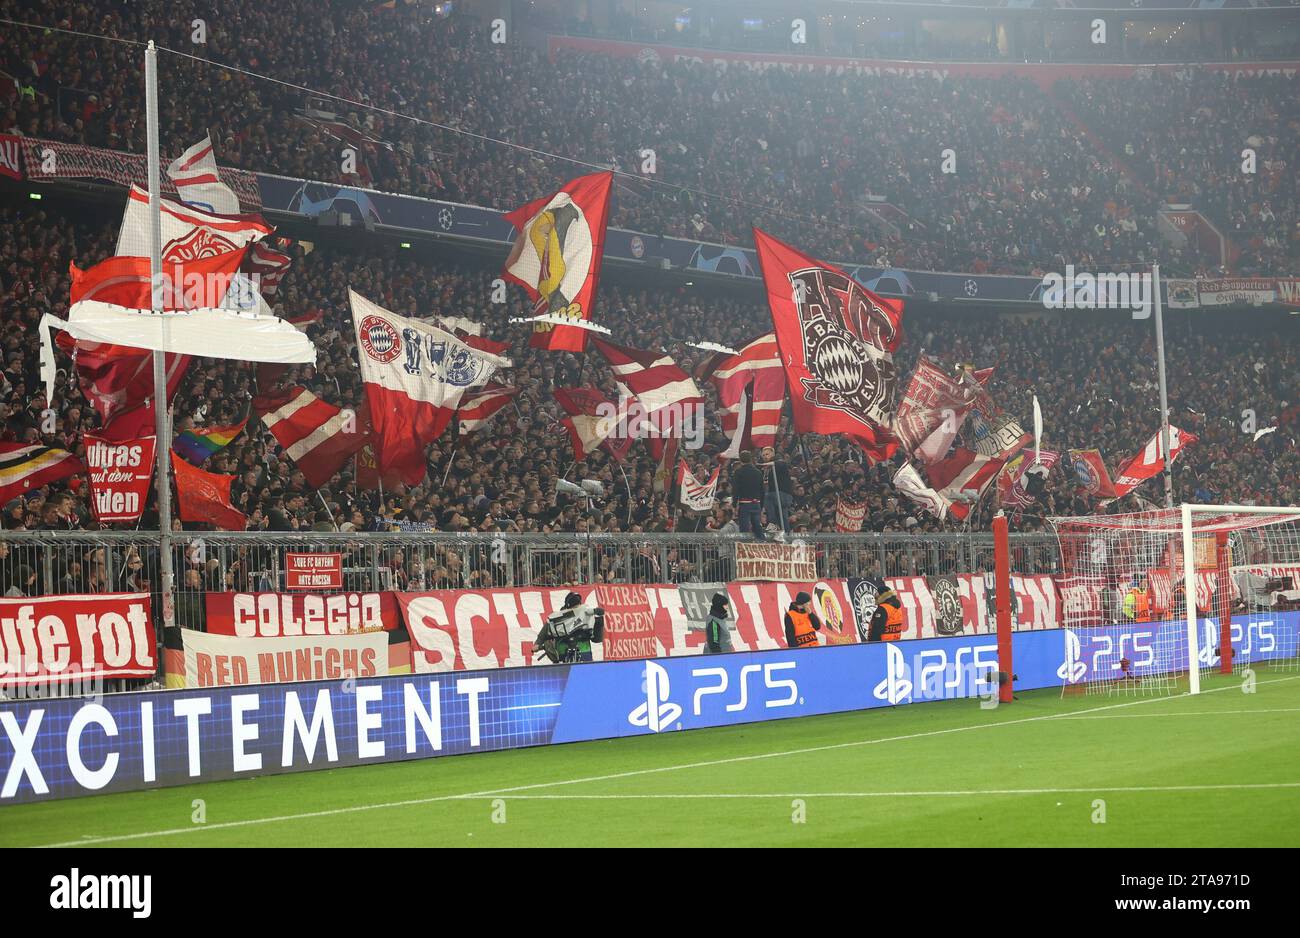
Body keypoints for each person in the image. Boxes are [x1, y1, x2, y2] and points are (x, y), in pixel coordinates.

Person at [731, 450, 765, 540]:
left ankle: (745, 549)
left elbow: (736, 490)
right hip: (756, 503)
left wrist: (734, 504)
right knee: (757, 527)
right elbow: (762, 490)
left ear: (740, 460)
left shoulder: (738, 472)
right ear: (750, 459)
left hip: (745, 504)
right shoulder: (758, 472)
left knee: (744, 528)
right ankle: (761, 545)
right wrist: (761, 506)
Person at [760, 445, 793, 533]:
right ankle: (786, 533)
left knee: (767, 497)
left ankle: (772, 524)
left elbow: (781, 463)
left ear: (773, 454)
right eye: (763, 455)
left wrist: (771, 464)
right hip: (778, 495)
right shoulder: (767, 469)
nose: (765, 457)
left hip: (782, 494)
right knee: (782, 516)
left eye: (767, 454)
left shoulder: (778, 461)